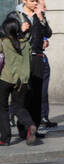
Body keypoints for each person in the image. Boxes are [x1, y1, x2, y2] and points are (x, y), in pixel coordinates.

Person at [17, 0, 52, 138]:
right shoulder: (16, 16)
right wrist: (20, 30)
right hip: (23, 58)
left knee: (37, 94)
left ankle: (35, 128)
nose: (35, 4)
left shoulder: (39, 15)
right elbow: (7, 34)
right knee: (25, 93)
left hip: (37, 57)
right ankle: (23, 128)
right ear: (23, 0)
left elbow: (48, 33)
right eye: (32, 1)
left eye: (36, 1)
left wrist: (41, 18)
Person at [0, 13, 39, 146]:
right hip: (23, 81)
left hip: (5, 79)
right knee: (19, 108)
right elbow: (29, 61)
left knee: (3, 108)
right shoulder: (26, 45)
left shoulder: (4, 42)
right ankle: (30, 125)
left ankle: (5, 139)